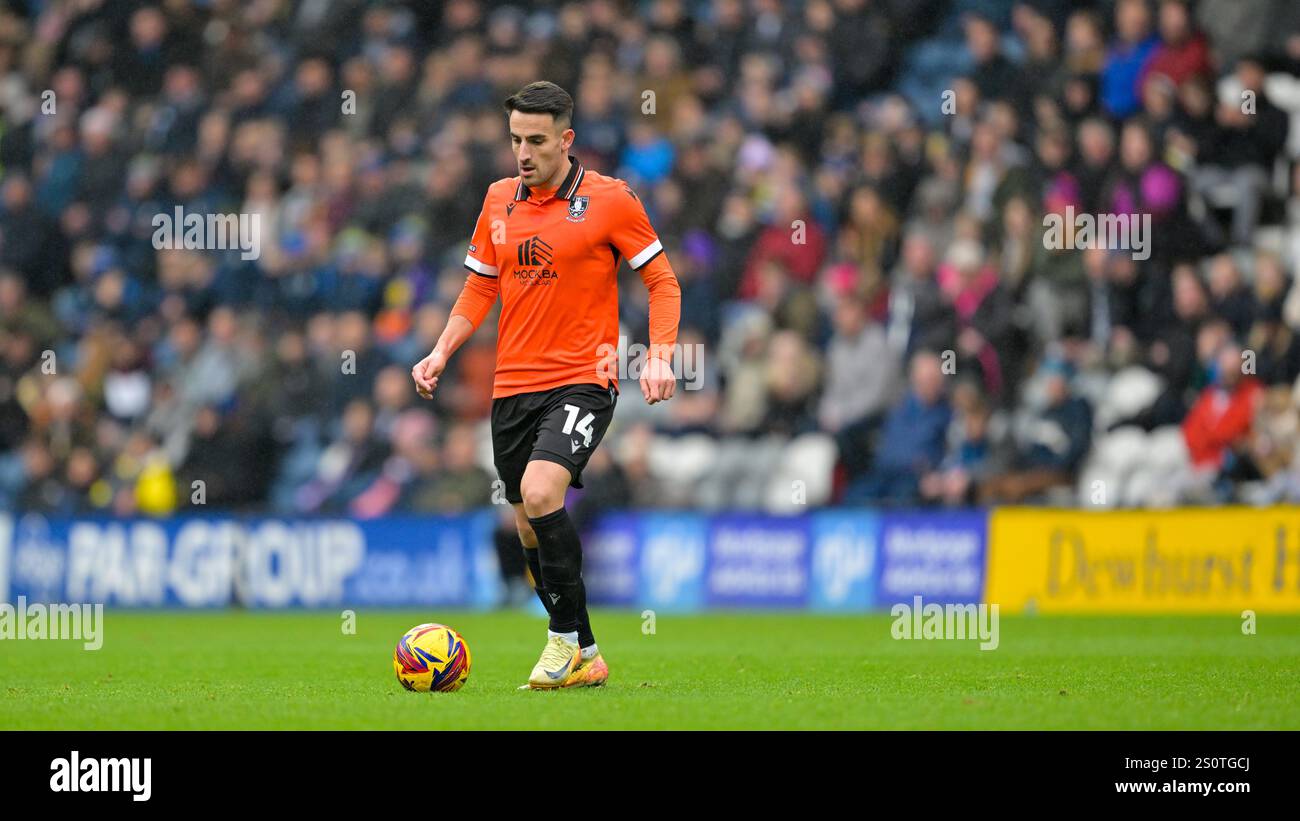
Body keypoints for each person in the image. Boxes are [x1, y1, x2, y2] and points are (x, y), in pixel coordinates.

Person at [411, 82, 681, 689]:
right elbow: (481, 286)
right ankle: (586, 650)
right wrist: (441, 350)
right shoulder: (498, 199)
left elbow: (663, 282)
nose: (523, 153)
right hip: (512, 387)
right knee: (528, 523)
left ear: (567, 139)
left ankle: (560, 643)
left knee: (539, 492)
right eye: (515, 140)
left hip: (584, 379)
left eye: (536, 140)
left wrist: (660, 356)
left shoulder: (610, 201)